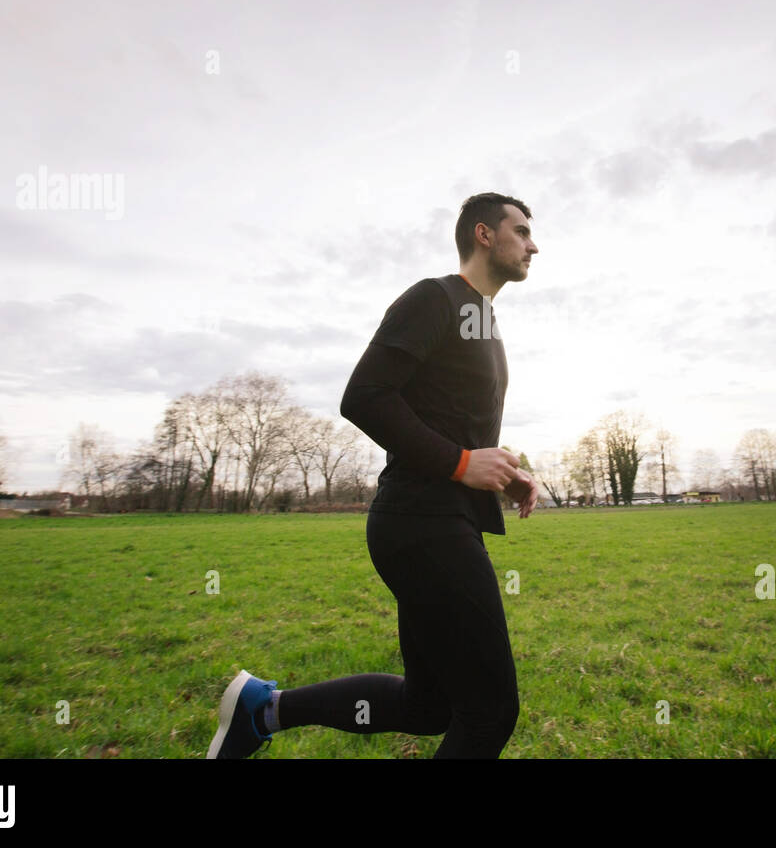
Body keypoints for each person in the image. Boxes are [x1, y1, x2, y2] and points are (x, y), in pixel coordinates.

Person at [207, 192, 539, 759]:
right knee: (489, 713)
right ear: (484, 235)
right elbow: (363, 396)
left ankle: (262, 709)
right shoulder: (434, 298)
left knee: (428, 707)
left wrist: (498, 468)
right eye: (522, 230)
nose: (533, 244)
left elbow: (446, 421)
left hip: (431, 524)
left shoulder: (483, 318)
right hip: (423, 527)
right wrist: (461, 463)